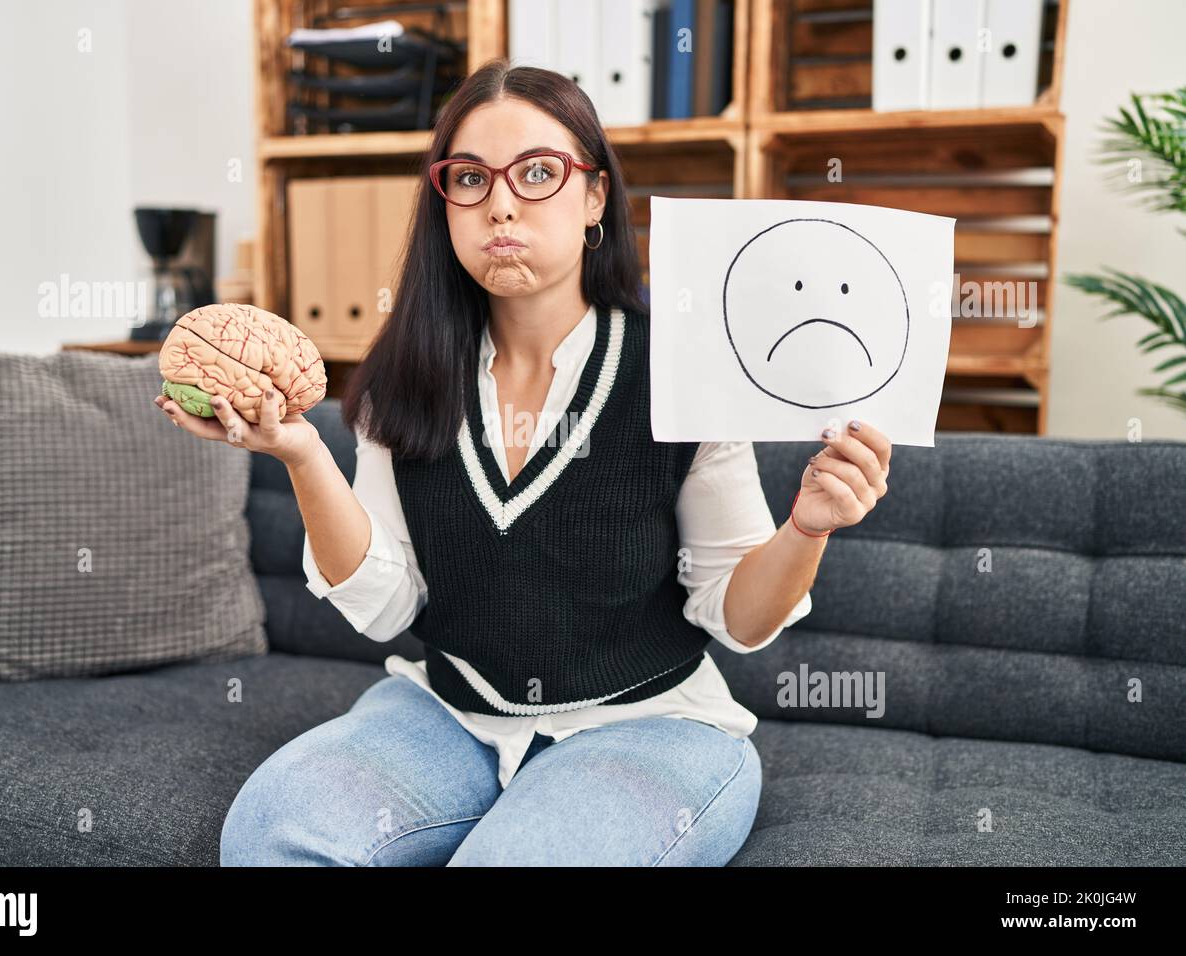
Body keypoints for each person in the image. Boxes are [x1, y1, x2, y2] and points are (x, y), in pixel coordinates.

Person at [157, 59, 891, 866]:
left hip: (648, 727)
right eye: (469, 178)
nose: (500, 202)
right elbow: (387, 605)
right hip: (448, 715)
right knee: (269, 835)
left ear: (594, 197)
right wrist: (300, 454)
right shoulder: (404, 377)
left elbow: (739, 618)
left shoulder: (680, 372)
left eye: (538, 172)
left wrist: (806, 528)